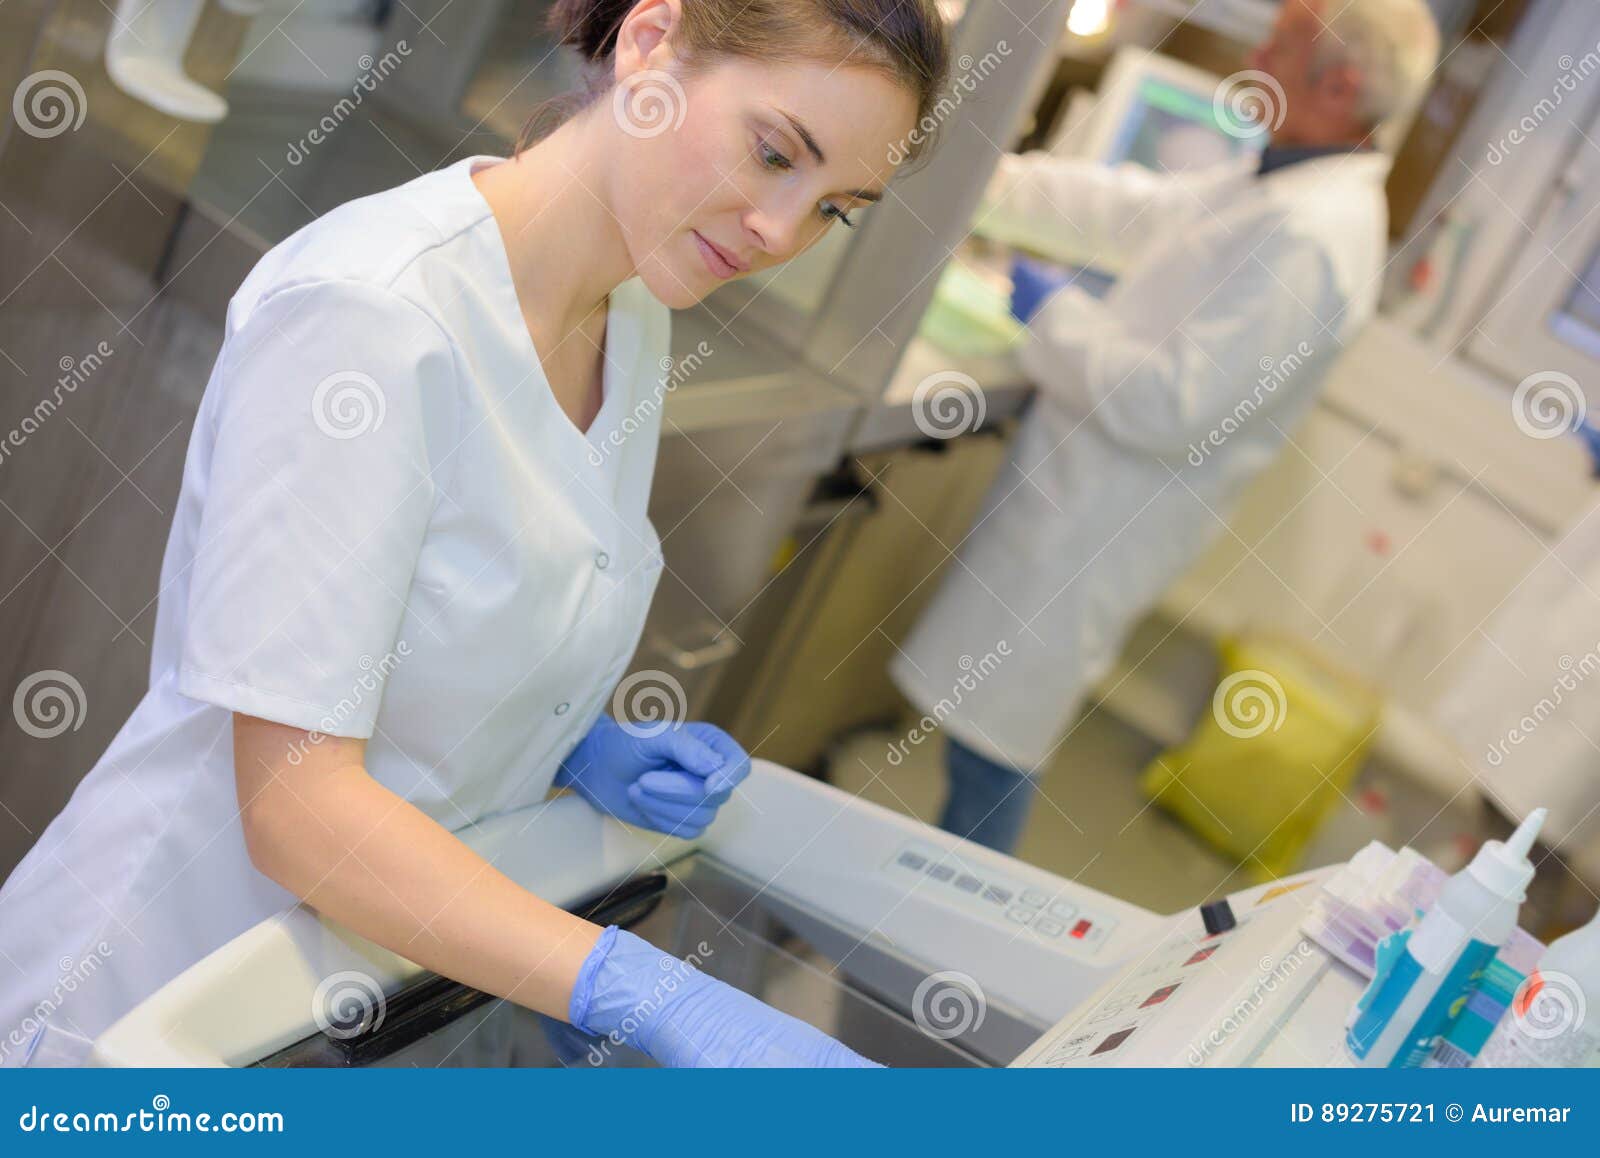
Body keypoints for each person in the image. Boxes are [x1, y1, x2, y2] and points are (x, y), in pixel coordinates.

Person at [0, 0, 948, 1067]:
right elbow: (297, 810)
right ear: (650, 44)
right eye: (773, 152)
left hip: (357, 1008)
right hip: (155, 1001)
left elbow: (444, 611)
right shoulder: (374, 317)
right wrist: (633, 987)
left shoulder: (627, 311)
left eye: (836, 208)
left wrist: (569, 740)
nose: (781, 230)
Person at [891, 0, 1438, 853]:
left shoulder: (1313, 235)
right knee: (986, 736)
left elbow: (1171, 405)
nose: (1255, 50)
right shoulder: (1281, 181)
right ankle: (934, 915)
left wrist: (1056, 309)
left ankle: (950, 944)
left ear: (1337, 84)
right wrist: (981, 179)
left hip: (1105, 519)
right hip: (1086, 499)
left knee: (993, 752)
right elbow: (1133, 209)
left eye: (1281, 43)